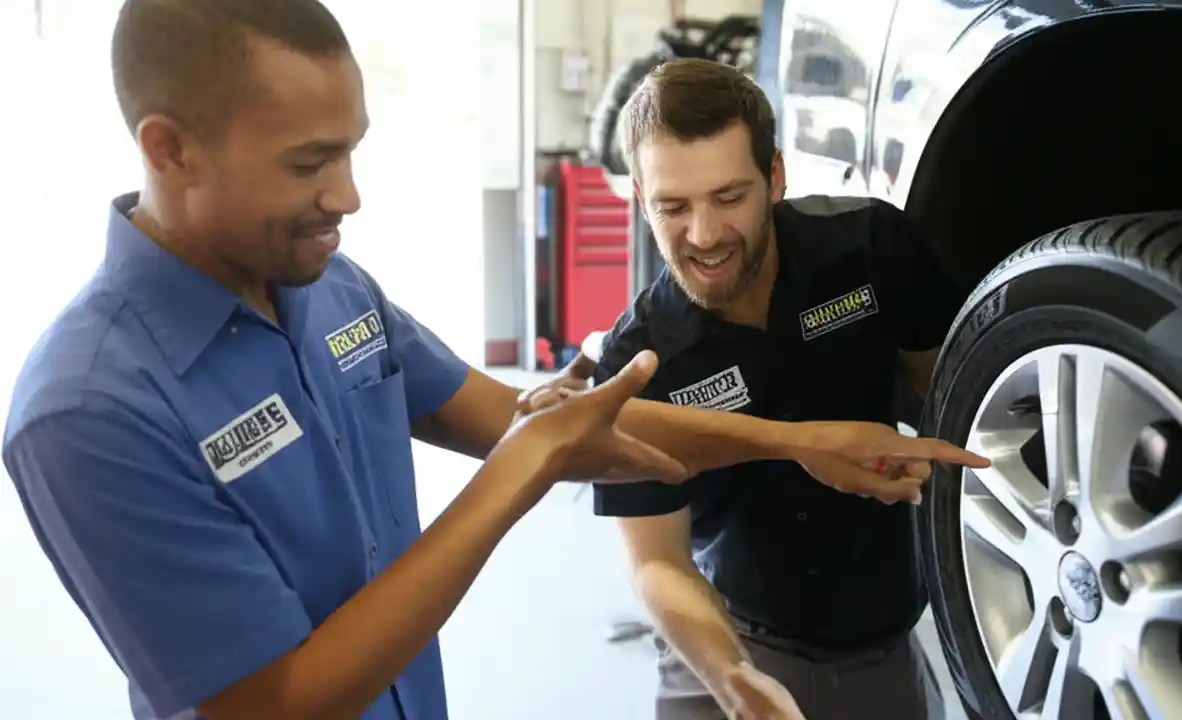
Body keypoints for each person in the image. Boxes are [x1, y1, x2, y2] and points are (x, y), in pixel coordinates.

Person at [0, 4, 990, 720]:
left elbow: (562, 429)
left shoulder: (332, 295)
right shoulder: (90, 413)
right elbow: (272, 703)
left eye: (351, 151)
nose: (347, 196)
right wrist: (517, 473)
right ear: (169, 150)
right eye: (308, 163)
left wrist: (794, 441)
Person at [589, 58, 970, 720]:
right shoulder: (639, 362)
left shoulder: (875, 250)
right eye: (673, 207)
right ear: (641, 201)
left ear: (776, 176)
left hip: (882, 645)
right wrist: (730, 677)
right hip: (722, 639)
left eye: (729, 197)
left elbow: (960, 406)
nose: (704, 236)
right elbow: (657, 563)